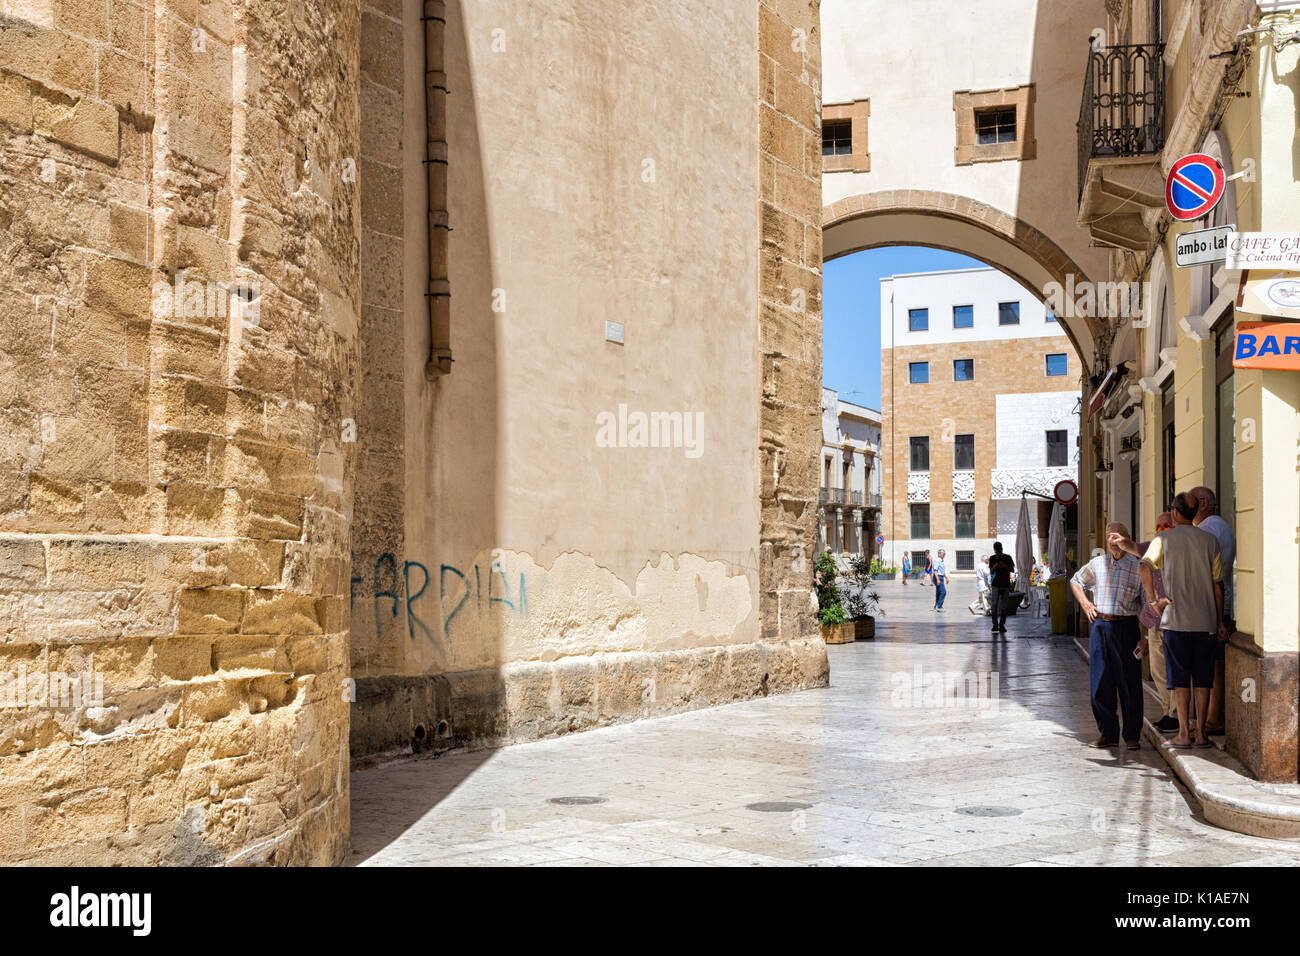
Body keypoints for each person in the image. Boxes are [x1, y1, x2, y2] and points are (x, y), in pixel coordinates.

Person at [1138, 492, 1228, 749]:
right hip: (1206, 621)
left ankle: (1182, 734)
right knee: (1202, 679)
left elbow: (1145, 566)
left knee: (1179, 680)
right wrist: (1219, 621)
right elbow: (1217, 586)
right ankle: (1201, 734)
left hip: (1176, 620)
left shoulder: (1163, 539)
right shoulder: (1210, 540)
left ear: (1175, 513)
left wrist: (1154, 600)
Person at [1071, 522, 1146, 750]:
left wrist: (1145, 637)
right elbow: (1076, 581)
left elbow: (1147, 605)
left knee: (1130, 682)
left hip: (1128, 627)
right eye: (1109, 537)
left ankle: (1132, 736)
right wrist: (1085, 604)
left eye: (1118, 536)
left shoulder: (1138, 567)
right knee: (1101, 681)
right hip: (1101, 625)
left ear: (1127, 538)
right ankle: (1108, 733)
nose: (1113, 541)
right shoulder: (1098, 563)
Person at [1191, 486, 1234, 735]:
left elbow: (1206, 573)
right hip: (1218, 604)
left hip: (1210, 607)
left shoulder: (1208, 530)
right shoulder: (1220, 526)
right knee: (1214, 665)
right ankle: (1211, 717)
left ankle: (1212, 719)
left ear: (1203, 504)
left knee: (1211, 667)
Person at [988, 542, 1014, 633]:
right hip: (996, 585)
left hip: (1005, 585)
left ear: (1001, 549)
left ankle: (1001, 625)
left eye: (998, 550)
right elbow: (991, 571)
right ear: (995, 549)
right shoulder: (992, 558)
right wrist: (995, 566)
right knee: (995, 605)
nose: (997, 552)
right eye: (996, 550)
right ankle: (996, 625)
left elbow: (1012, 569)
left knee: (1003, 606)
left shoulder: (1007, 557)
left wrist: (1004, 566)